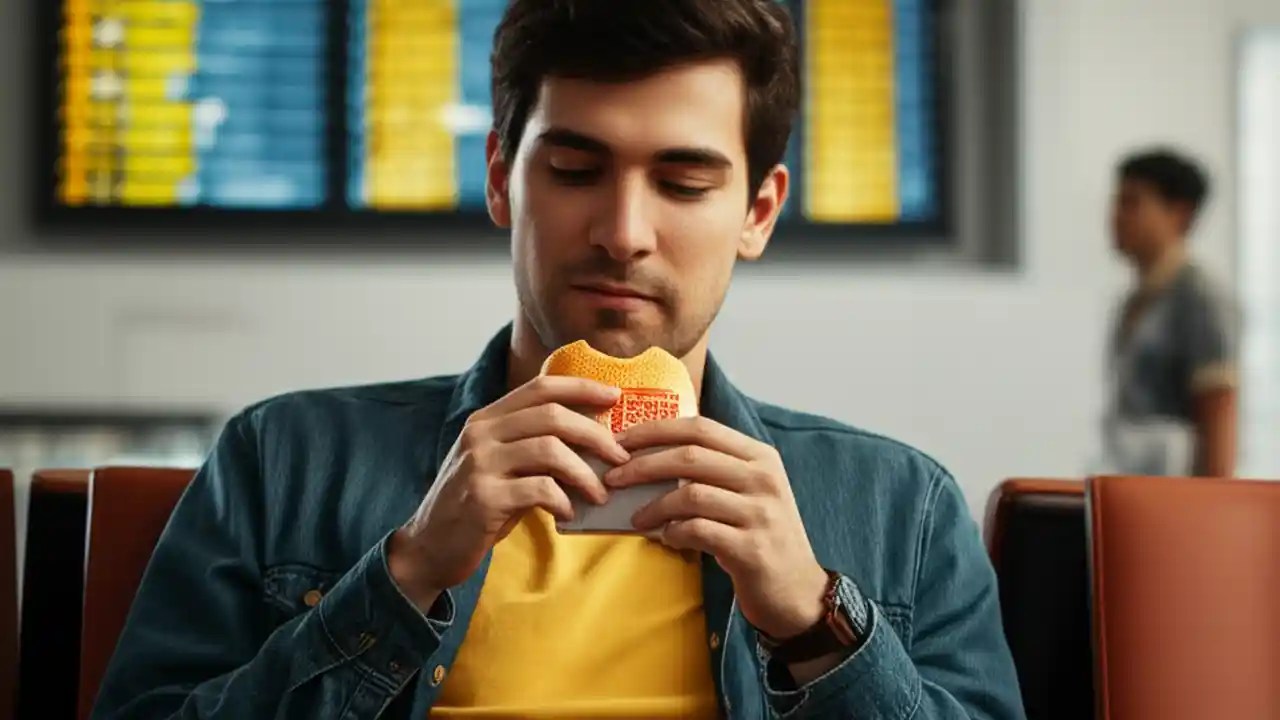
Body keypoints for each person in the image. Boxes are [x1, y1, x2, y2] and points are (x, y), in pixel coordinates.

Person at [92, 1, 1024, 718]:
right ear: (501, 178)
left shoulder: (905, 509)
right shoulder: (281, 455)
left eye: (685, 182)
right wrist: (408, 572)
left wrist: (813, 620)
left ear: (759, 212)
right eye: (575, 172)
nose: (624, 235)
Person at [1104, 148, 1239, 477]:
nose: (1115, 216)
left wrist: (1208, 514)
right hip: (1134, 482)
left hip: (1176, 497)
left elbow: (1219, 418)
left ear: (1179, 213)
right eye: (1117, 202)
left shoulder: (1200, 299)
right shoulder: (1134, 300)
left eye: (1131, 203)